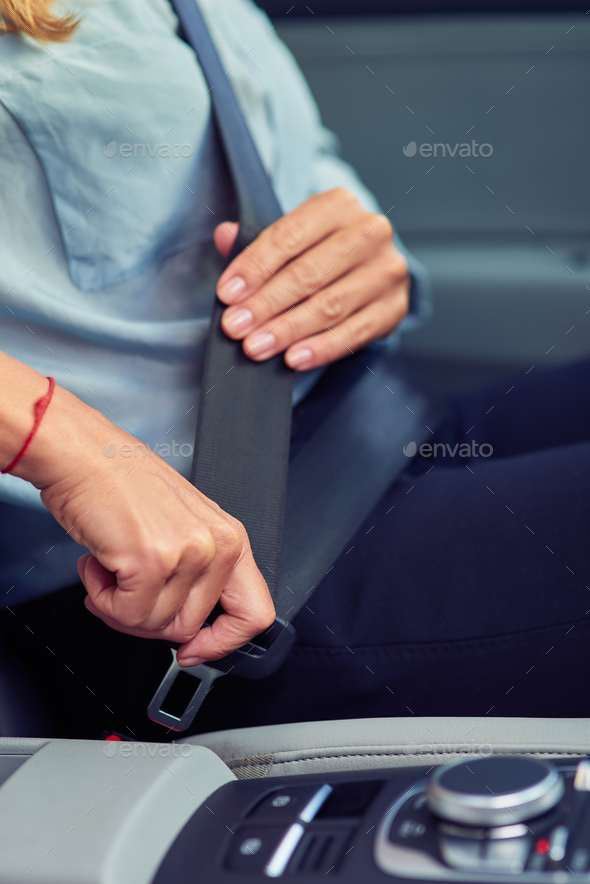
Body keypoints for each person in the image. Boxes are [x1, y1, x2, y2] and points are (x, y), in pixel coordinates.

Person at [0, 0, 588, 740]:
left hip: (355, 438)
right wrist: (63, 446)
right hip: (188, 592)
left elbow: (284, 149)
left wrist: (361, 261)